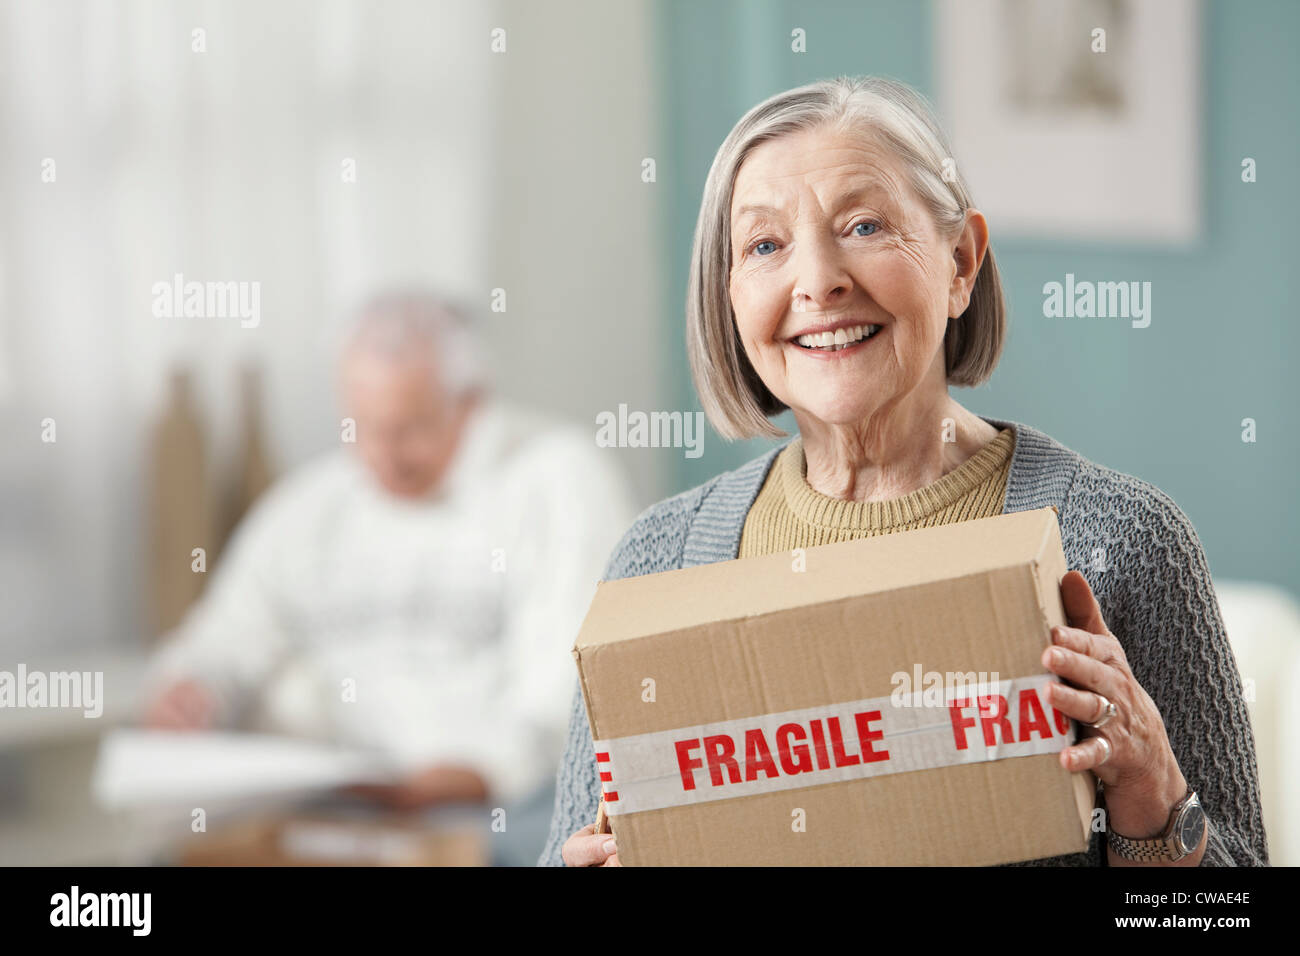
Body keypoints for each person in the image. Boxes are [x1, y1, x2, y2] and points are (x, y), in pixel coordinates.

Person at [541, 76, 1267, 867]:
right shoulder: (658, 565)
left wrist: (1154, 796)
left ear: (960, 261)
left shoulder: (1120, 543)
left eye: (863, 225)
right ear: (730, 298)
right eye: (764, 245)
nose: (818, 280)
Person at [142, 290, 637, 866]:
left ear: (471, 403)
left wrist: (480, 772)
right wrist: (189, 687)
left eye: (411, 428)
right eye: (363, 427)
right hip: (340, 806)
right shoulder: (305, 509)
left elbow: (576, 689)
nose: (385, 454)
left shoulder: (557, 481)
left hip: (499, 805)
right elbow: (223, 638)